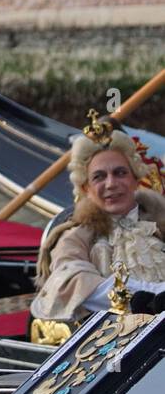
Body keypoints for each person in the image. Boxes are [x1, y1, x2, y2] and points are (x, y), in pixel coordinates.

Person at [33, 118, 165, 323]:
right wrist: (154, 294)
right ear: (86, 188)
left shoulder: (160, 226)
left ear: (136, 179)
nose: (111, 184)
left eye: (120, 173)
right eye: (99, 177)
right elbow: (72, 282)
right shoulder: (75, 236)